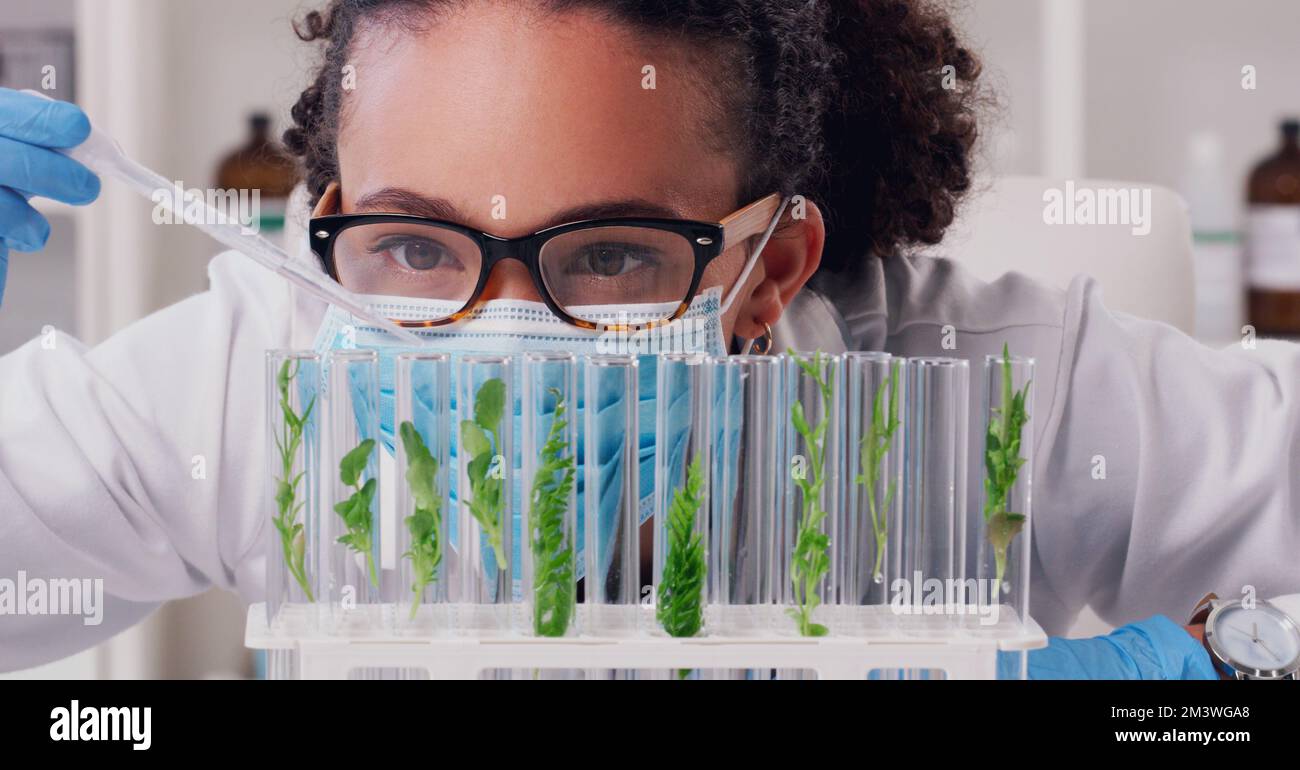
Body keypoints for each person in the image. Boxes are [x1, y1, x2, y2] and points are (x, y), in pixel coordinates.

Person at [0, 0, 1290, 679]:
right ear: (328, 222)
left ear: (771, 265)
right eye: (416, 246)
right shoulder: (263, 383)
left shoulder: (988, 390)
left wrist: (1205, 672)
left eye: (610, 255)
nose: (497, 338)